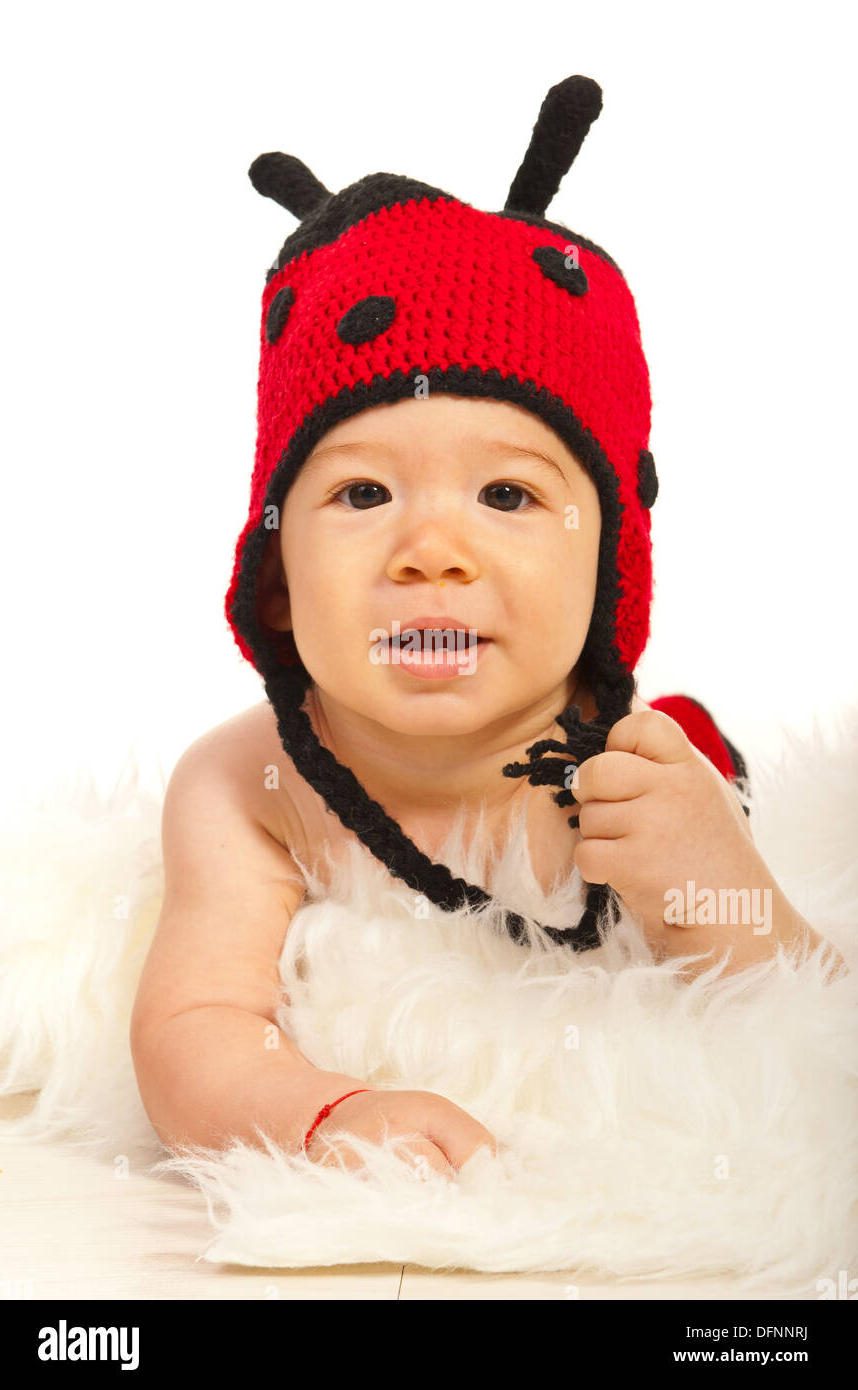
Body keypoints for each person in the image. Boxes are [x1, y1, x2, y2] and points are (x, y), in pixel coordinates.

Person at [130, 75, 843, 1184]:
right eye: (363, 495)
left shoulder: (636, 776)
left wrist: (720, 881)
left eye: (507, 498)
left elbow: (812, 1015)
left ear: (607, 569)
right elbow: (196, 1022)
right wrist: (321, 1111)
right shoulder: (251, 789)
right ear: (275, 579)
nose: (431, 550)